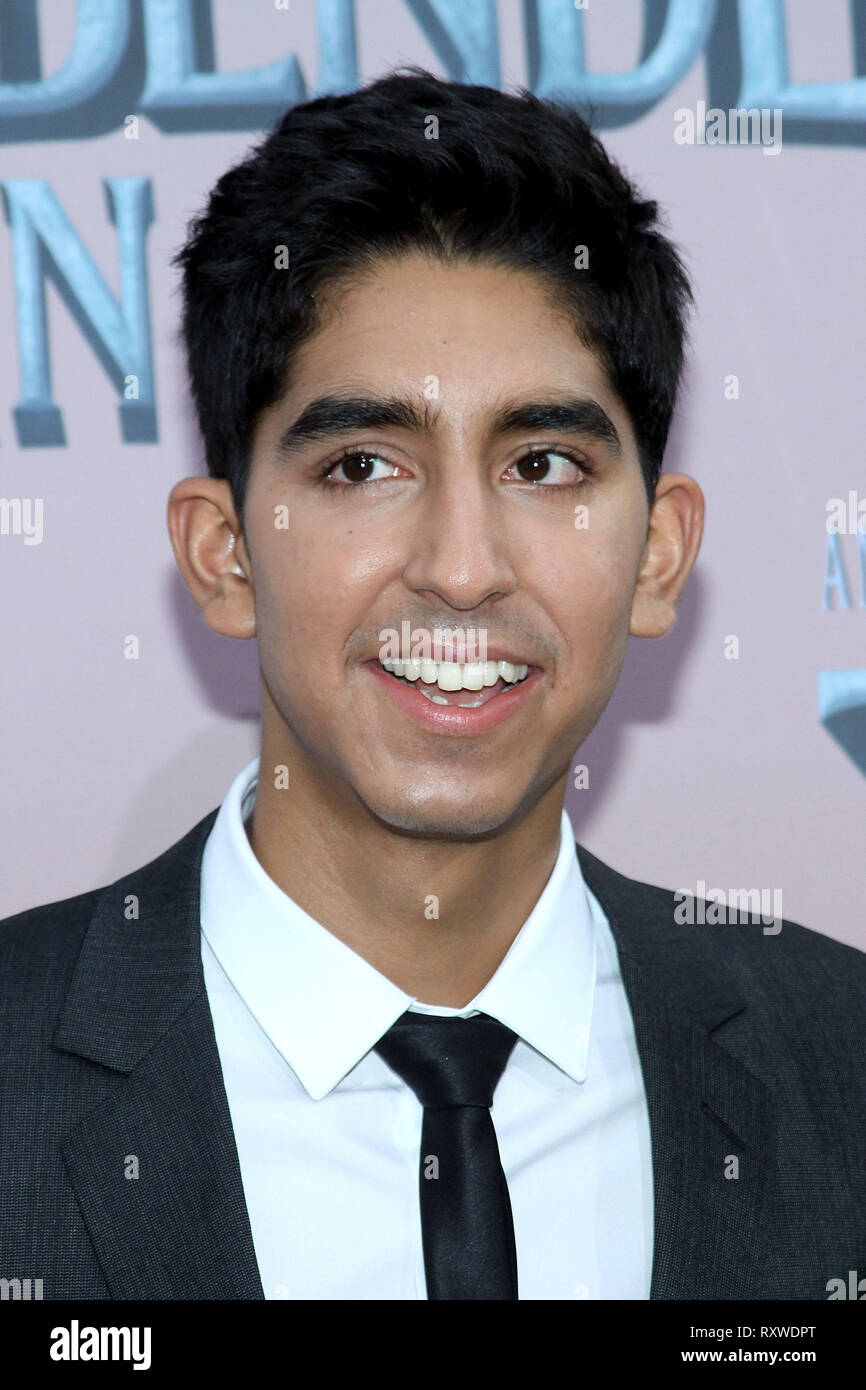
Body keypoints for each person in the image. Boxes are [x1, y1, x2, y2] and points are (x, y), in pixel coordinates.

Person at [2, 69, 864, 1302]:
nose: (461, 569)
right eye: (362, 465)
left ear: (658, 556)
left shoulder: (842, 1058)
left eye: (544, 463)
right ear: (225, 552)